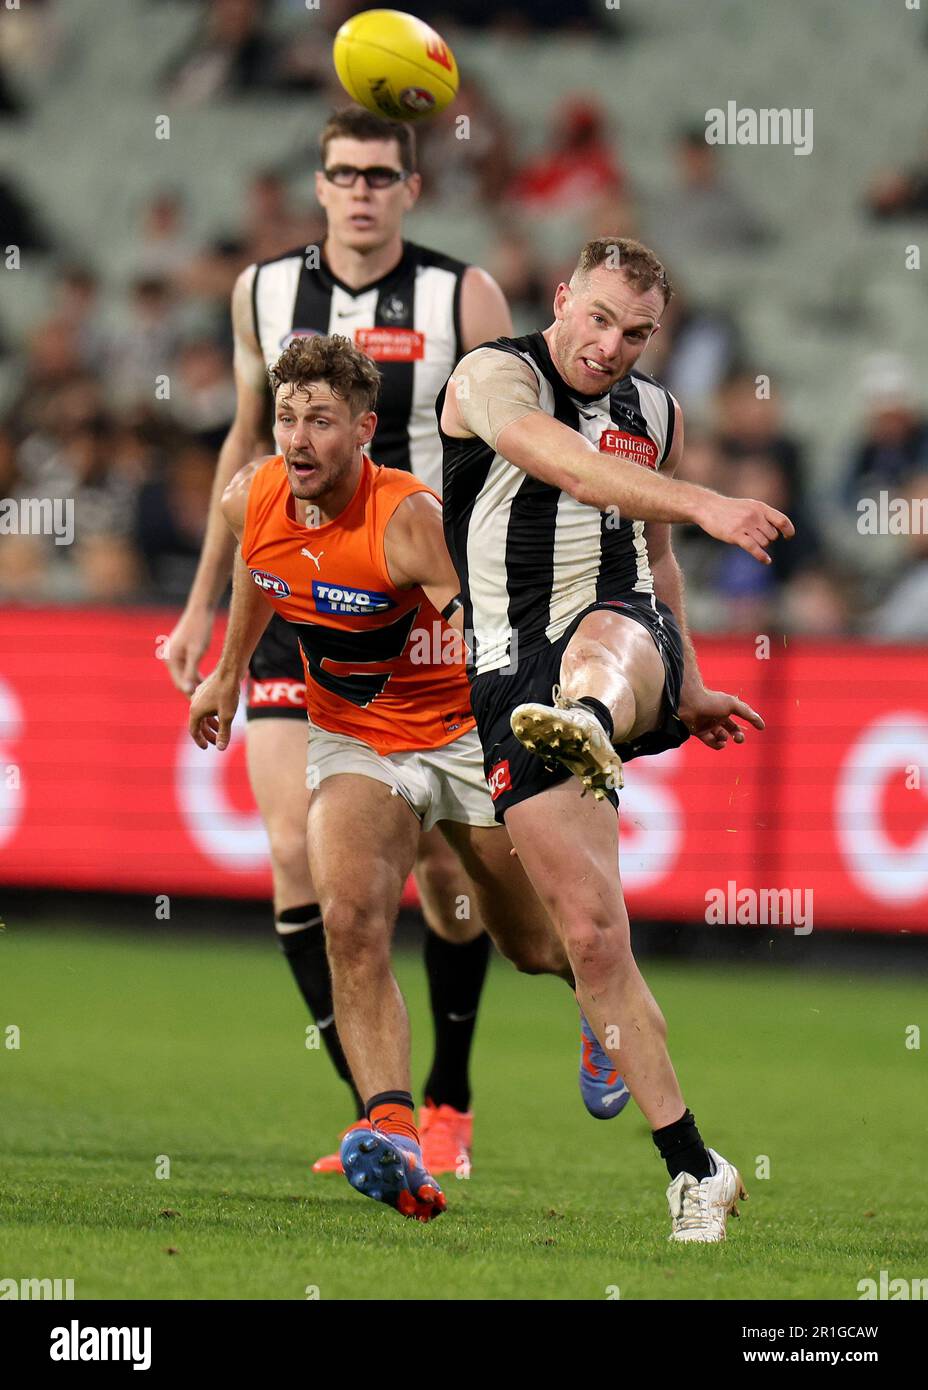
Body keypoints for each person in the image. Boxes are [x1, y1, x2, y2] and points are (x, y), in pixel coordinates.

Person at [166, 107, 513, 1175]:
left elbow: (510, 435)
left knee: (444, 874)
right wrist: (199, 607)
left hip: (417, 597)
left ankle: (447, 1096)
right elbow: (241, 439)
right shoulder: (262, 289)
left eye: (380, 174)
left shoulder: (466, 295)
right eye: (341, 173)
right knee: (294, 852)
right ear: (317, 185)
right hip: (293, 596)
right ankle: (380, 1114)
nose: (360, 190)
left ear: (411, 187)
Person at [437, 236, 795, 1240]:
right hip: (510, 676)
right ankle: (697, 1166)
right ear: (562, 298)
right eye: (596, 318)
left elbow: (659, 566)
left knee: (618, 626)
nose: (610, 345)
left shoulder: (659, 414)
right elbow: (562, 464)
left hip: (614, 638)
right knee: (577, 941)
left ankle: (592, 719)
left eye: (635, 332)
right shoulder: (493, 375)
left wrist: (688, 682)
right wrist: (706, 498)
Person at [188, 336, 578, 1221]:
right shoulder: (251, 492)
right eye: (287, 416)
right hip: (356, 741)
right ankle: (396, 1135)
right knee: (352, 919)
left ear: (364, 430)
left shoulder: (408, 518)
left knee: (534, 944)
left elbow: (490, 622)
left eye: (320, 420)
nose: (297, 436)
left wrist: (529, 719)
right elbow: (259, 571)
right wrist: (223, 672)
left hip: (455, 737)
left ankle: (601, 1009)